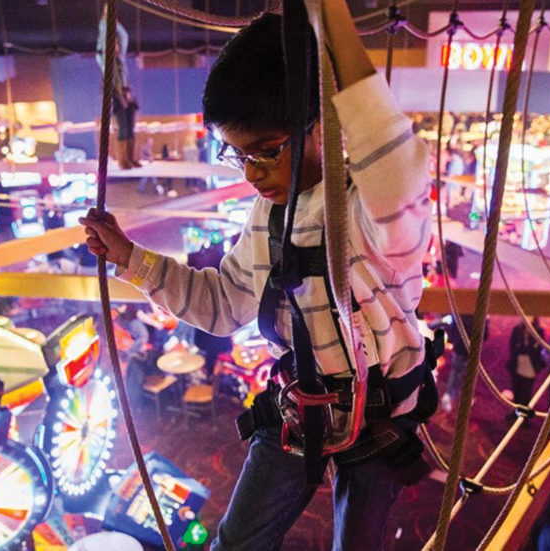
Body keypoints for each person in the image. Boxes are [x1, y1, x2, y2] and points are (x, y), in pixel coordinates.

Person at [81, 4, 434, 549]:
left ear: (322, 124)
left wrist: (328, 15)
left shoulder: (376, 215)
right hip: (303, 402)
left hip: (382, 414)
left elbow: (391, 151)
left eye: (266, 151)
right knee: (234, 542)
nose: (252, 173)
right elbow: (222, 304)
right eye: (238, 155)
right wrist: (133, 259)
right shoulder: (268, 217)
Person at [96, 6, 140, 169]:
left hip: (127, 94)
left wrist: (115, 22)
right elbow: (101, 44)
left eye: (117, 45)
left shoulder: (120, 59)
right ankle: (123, 160)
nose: (117, 46)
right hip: (116, 96)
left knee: (130, 127)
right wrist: (104, 22)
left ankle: (130, 158)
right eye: (113, 45)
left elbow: (124, 36)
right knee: (123, 127)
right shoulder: (104, 61)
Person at [506, 317, 546, 412]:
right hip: (518, 362)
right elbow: (513, 345)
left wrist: (526, 348)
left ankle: (524, 414)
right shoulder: (517, 329)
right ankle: (515, 411)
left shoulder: (539, 331)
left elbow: (537, 348)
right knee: (516, 388)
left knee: (526, 390)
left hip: (530, 364)